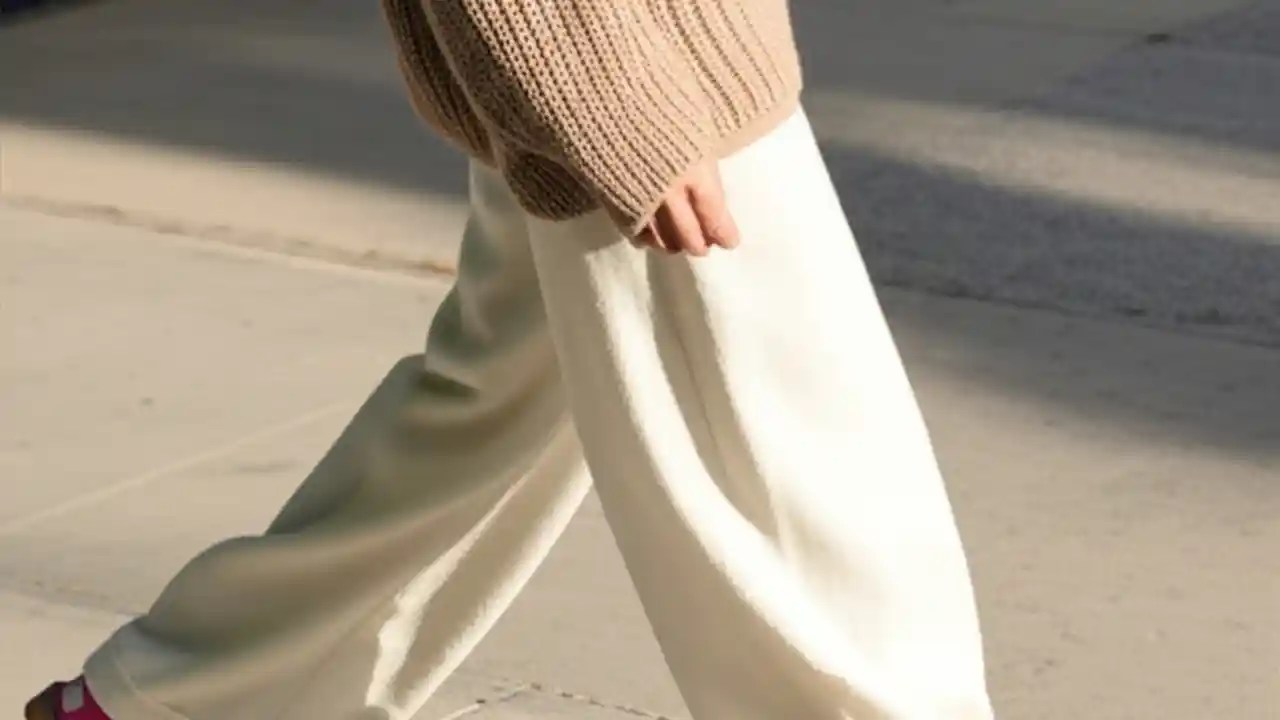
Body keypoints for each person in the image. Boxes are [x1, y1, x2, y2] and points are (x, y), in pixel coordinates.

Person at [26, 1, 995, 718]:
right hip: (642, 72)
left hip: (669, 56)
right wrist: (608, 101)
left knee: (490, 413)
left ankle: (180, 698)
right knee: (808, 480)